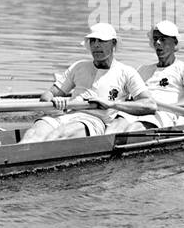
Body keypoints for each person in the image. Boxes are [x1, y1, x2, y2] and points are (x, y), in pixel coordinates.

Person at [21, 23, 156, 142]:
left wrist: (113, 104)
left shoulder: (127, 72)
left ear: (113, 44)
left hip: (94, 122)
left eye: (101, 40)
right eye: (93, 40)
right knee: (32, 134)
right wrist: (53, 102)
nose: (96, 45)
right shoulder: (78, 66)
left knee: (59, 135)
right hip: (65, 116)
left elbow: (150, 105)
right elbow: (48, 95)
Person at [106, 20, 184, 133]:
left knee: (135, 128)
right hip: (139, 109)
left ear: (175, 42)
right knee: (116, 125)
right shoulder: (143, 70)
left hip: (164, 113)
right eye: (155, 39)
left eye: (163, 39)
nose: (158, 43)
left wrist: (161, 107)